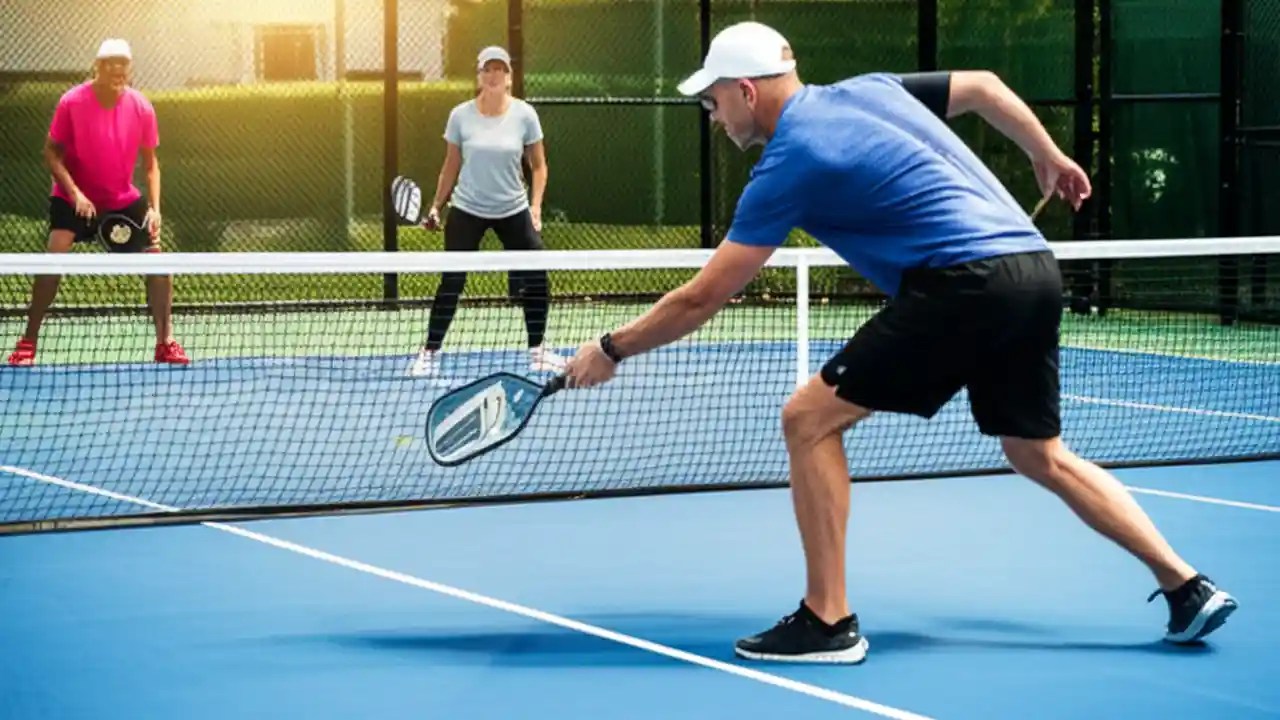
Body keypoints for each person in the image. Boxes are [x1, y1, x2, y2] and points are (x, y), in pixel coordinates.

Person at [564, 21, 1237, 664]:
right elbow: (985, 86)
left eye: (713, 101)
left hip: (961, 282)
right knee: (1038, 454)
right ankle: (1187, 587)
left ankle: (827, 620)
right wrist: (1046, 154)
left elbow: (704, 296)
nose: (713, 117)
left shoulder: (789, 162)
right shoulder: (870, 88)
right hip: (1033, 271)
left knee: (807, 419)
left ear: (746, 90)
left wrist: (611, 348)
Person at [8, 38, 189, 367]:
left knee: (158, 263)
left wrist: (155, 208)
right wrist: (75, 193)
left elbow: (151, 165)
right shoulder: (72, 102)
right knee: (54, 256)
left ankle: (165, 342)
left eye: (123, 63)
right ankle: (28, 341)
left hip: (121, 198)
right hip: (73, 197)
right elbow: (51, 153)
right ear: (98, 66)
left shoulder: (142, 107)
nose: (117, 69)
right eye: (110, 63)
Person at [407, 45, 565, 378]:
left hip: (513, 208)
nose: (493, 75)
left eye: (500, 70)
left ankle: (538, 351)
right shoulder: (460, 115)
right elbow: (450, 165)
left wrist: (535, 207)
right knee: (452, 281)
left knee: (536, 277)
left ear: (509, 77)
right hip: (467, 208)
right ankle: (429, 352)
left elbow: (539, 167)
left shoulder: (525, 115)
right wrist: (436, 206)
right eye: (487, 69)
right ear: (479, 76)